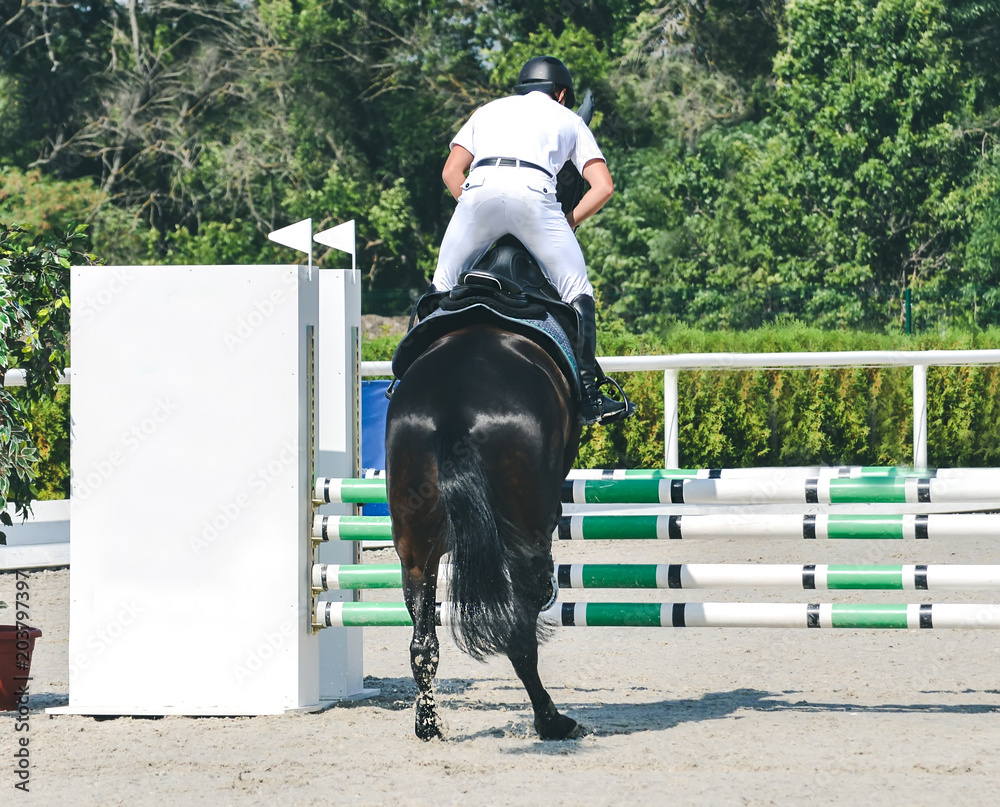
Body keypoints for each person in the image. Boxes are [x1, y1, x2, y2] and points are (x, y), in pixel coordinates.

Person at [431, 55, 633, 425]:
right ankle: (589, 397)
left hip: (478, 192)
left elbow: (450, 172)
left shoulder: (487, 110)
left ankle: (407, 373)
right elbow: (603, 187)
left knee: (440, 286)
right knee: (578, 292)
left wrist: (481, 214)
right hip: (534, 196)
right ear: (560, 94)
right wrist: (567, 221)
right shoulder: (569, 118)